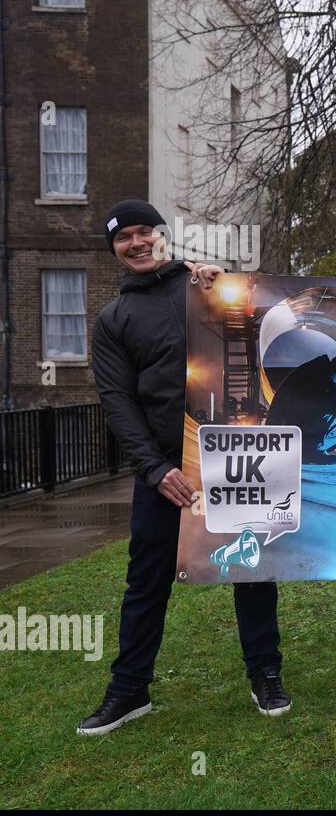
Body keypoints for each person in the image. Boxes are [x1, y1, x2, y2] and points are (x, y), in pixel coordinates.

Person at [78, 200, 290, 735]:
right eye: (123, 237)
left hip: (235, 454)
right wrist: (154, 469)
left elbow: (274, 319)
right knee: (147, 580)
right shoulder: (113, 319)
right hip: (167, 471)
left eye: (144, 231)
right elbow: (118, 401)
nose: (136, 242)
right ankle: (129, 691)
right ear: (115, 250)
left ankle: (265, 673)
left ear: (163, 235)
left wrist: (222, 279)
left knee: (251, 569)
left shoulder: (208, 286)